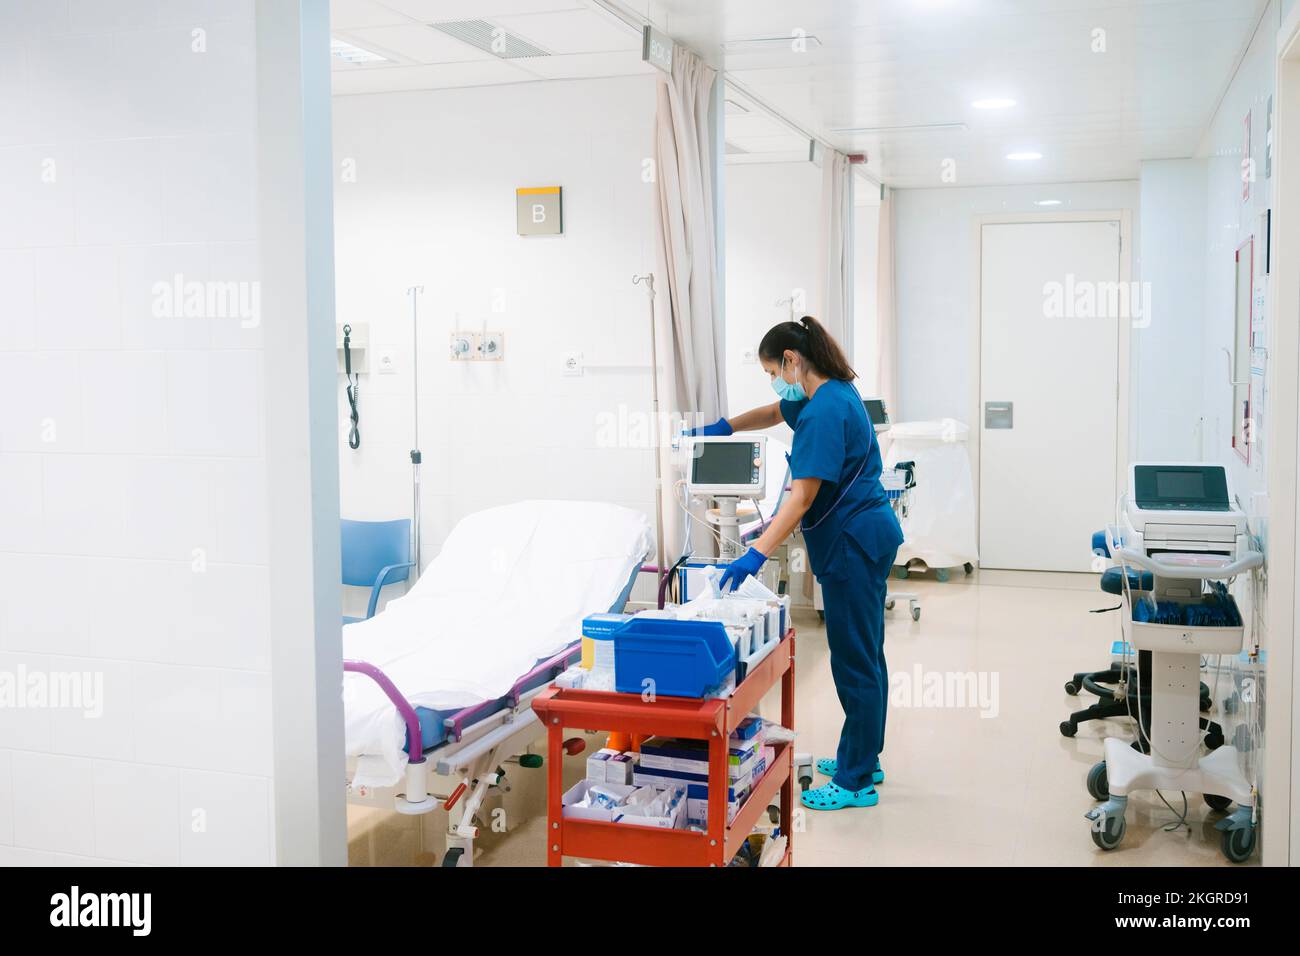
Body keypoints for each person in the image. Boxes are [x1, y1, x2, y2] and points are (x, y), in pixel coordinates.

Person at [691, 316, 903, 811]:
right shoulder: (830, 392)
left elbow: (802, 497)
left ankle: (855, 782)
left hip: (853, 544)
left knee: (855, 662)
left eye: (773, 370)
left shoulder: (825, 412)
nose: (774, 382)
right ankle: (864, 757)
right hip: (866, 536)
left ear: (792, 360)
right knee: (869, 653)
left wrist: (756, 552)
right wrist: (726, 426)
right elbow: (773, 410)